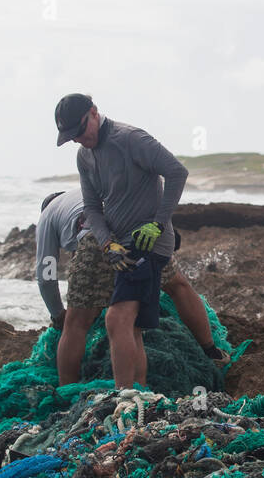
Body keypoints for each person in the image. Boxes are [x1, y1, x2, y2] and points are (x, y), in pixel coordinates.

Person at [55, 93, 188, 389]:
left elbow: (177, 172)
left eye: (79, 131)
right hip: (120, 244)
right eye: (70, 137)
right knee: (131, 327)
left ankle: (124, 397)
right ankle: (136, 392)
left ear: (93, 113)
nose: (78, 139)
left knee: (116, 320)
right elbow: (91, 207)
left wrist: (158, 223)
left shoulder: (130, 139)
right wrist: (106, 243)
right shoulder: (84, 156)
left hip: (148, 243)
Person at [37, 189, 229, 385]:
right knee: (178, 286)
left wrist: (58, 314)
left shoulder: (47, 215)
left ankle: (66, 389)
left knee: (76, 322)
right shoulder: (81, 193)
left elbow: (46, 275)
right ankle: (212, 351)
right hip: (138, 227)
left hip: (95, 236)